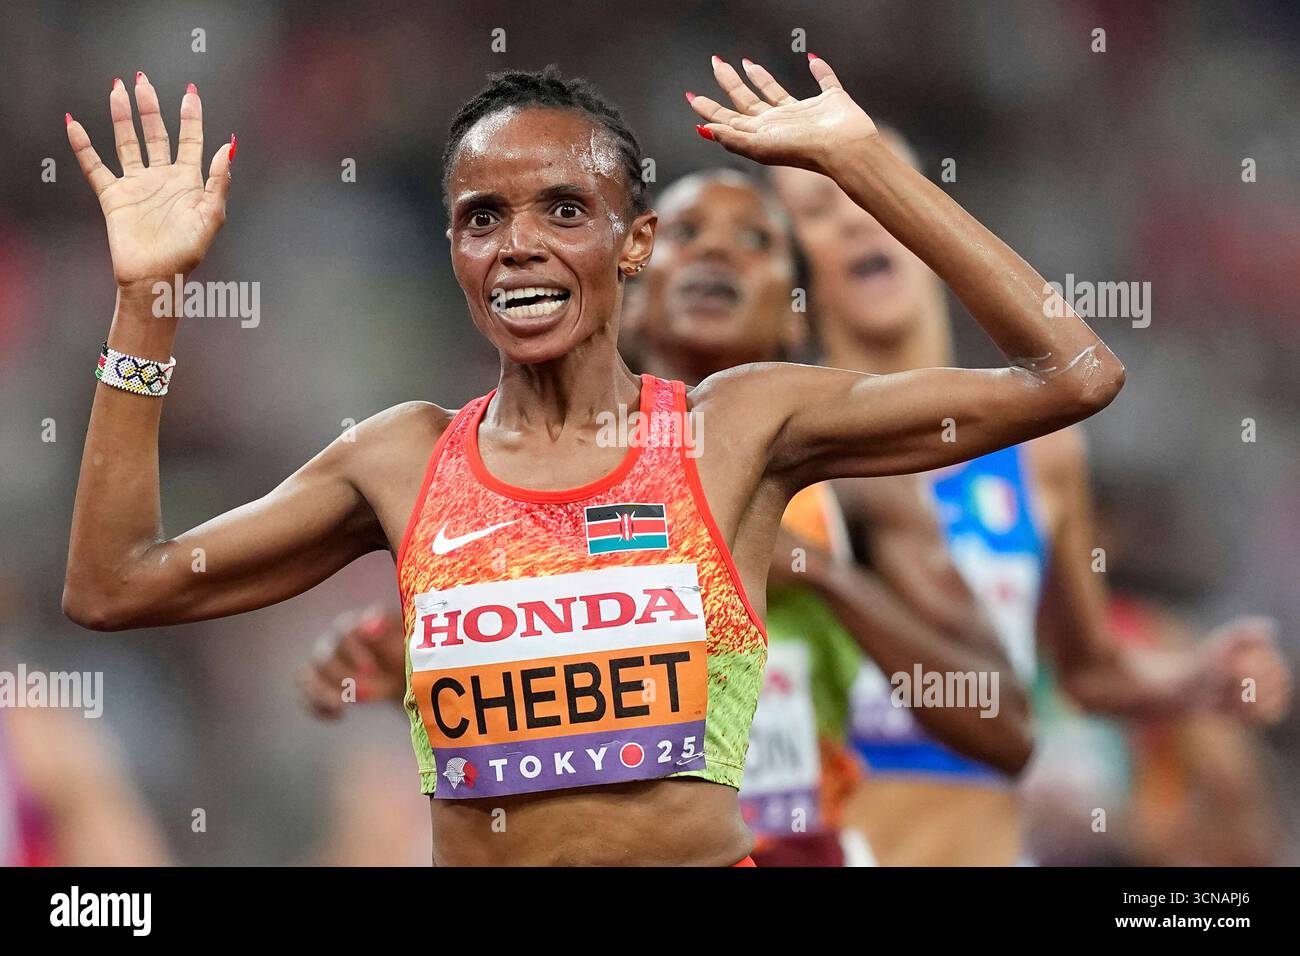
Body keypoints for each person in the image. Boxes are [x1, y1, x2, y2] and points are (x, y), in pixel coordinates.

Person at [62, 56, 1124, 866]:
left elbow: (1070, 372)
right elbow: (116, 583)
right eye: (482, 218)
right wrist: (151, 299)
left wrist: (857, 166)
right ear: (454, 254)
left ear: (634, 242)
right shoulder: (402, 459)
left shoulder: (734, 430)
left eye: (562, 209)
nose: (517, 243)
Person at [301, 167, 1033, 866]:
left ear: (793, 319)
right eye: (686, 233)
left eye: (756, 242)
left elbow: (1006, 729)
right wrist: (387, 660)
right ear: (633, 292)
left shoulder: (852, 494)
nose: (716, 249)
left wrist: (824, 575)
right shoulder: (528, 477)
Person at [768, 131, 1291, 866]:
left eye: (879, 192)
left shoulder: (1041, 458)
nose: (858, 216)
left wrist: (1194, 677)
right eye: (823, 206)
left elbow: (1088, 668)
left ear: (932, 224)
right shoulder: (778, 451)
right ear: (793, 259)